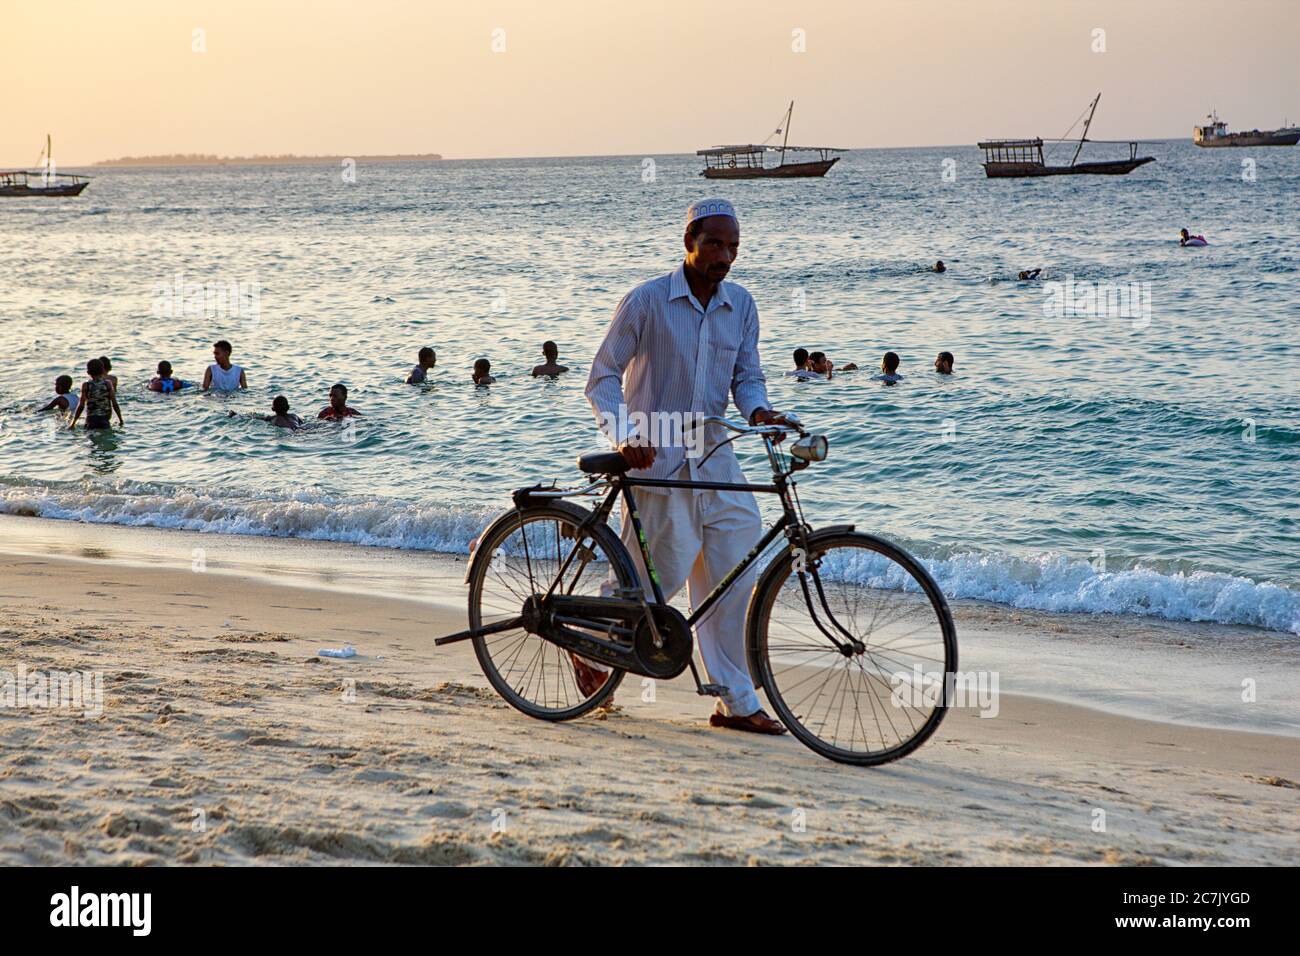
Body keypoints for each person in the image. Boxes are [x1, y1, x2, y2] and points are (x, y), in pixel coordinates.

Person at [586, 197, 790, 735]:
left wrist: (760, 410)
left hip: (718, 459)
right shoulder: (647, 301)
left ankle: (735, 703)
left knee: (733, 576)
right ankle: (592, 650)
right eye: (716, 244)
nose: (725, 255)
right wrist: (626, 436)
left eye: (734, 246)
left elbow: (747, 377)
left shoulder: (741, 305)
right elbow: (603, 376)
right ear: (690, 243)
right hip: (657, 458)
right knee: (657, 583)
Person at [69, 358, 123, 430]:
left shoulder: (86, 385)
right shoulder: (108, 384)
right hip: (104, 420)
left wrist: (73, 423)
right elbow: (114, 403)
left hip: (91, 420)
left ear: (88, 372)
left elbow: (81, 405)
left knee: (92, 438)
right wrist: (120, 419)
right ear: (103, 370)